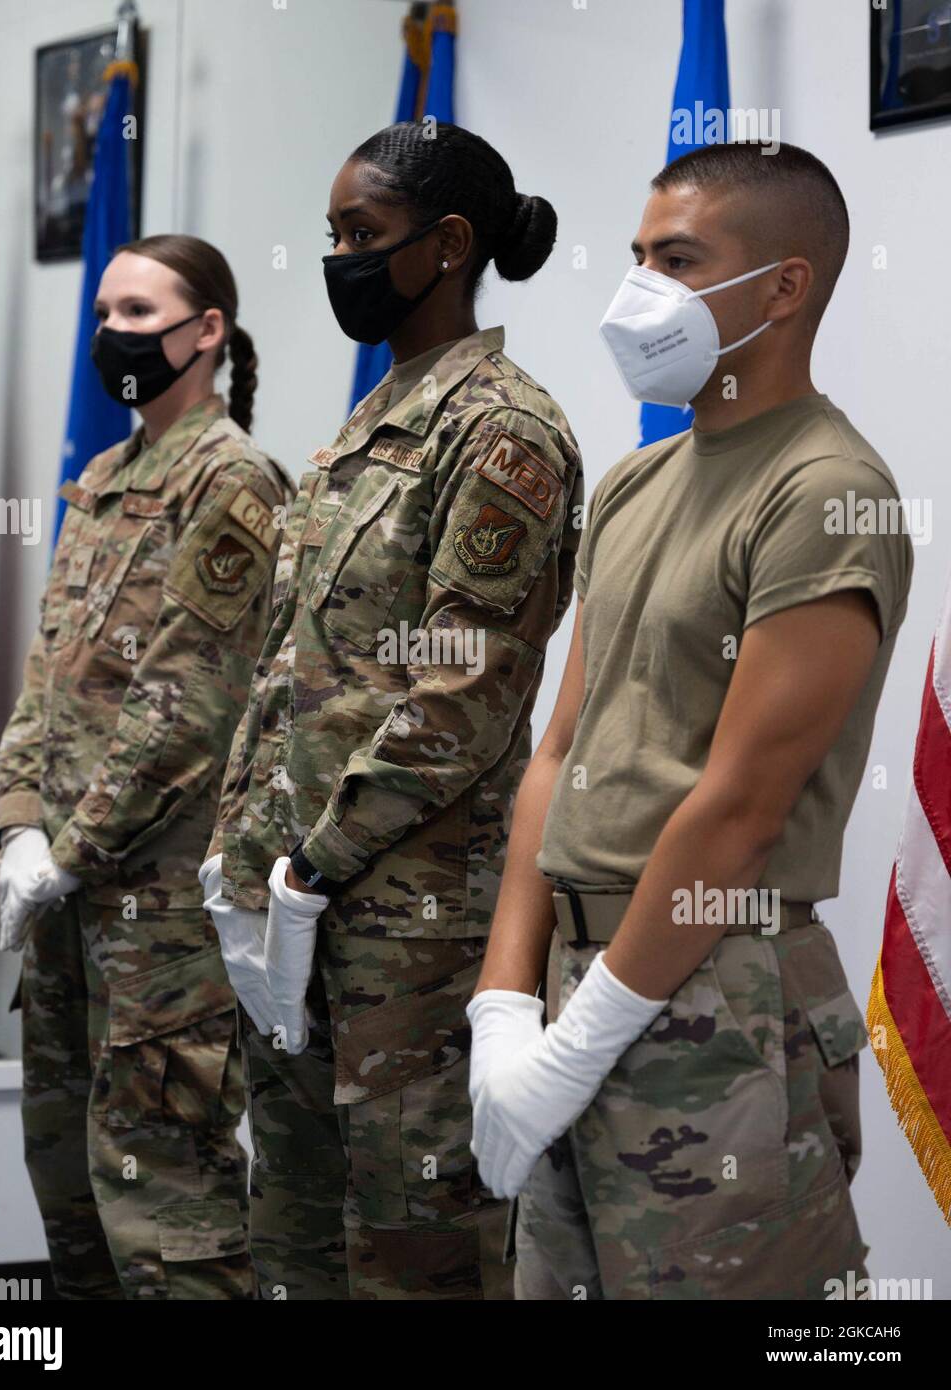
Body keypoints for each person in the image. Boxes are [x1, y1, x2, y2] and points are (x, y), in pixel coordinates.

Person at [467, 142, 914, 1300]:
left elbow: (737, 812)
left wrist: (579, 1041)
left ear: (781, 288)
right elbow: (556, 751)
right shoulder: (635, 483)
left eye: (675, 260)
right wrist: (505, 1007)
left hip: (714, 993)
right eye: (636, 258)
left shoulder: (824, 490)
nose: (640, 291)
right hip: (572, 968)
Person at [200, 121, 583, 1300]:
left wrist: (314, 869)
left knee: (414, 1251)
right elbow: (286, 673)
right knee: (296, 1235)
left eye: (361, 235)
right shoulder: (369, 426)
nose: (339, 259)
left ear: (449, 243)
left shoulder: (500, 430)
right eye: (332, 235)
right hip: (296, 917)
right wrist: (241, 855)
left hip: (410, 930)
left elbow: (461, 696)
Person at [0, 235, 295, 1300]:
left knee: (166, 1212)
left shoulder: (233, 483)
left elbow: (187, 711)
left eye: (138, 312)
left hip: (158, 917)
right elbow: (48, 673)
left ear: (205, 331)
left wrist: (66, 854)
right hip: (67, 902)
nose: (113, 332)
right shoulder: (108, 478)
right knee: (66, 1188)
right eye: (107, 312)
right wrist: (19, 824)